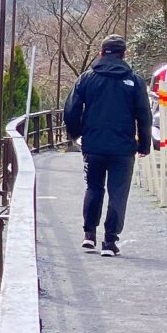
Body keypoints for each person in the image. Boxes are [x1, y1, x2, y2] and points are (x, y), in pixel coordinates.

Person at [63, 35, 153, 257]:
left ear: (101, 52)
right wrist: (144, 143)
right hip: (123, 148)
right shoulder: (134, 80)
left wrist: (76, 134)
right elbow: (144, 114)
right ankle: (110, 241)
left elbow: (72, 109)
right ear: (124, 54)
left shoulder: (87, 78)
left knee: (94, 188)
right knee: (118, 193)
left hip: (93, 145)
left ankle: (88, 235)